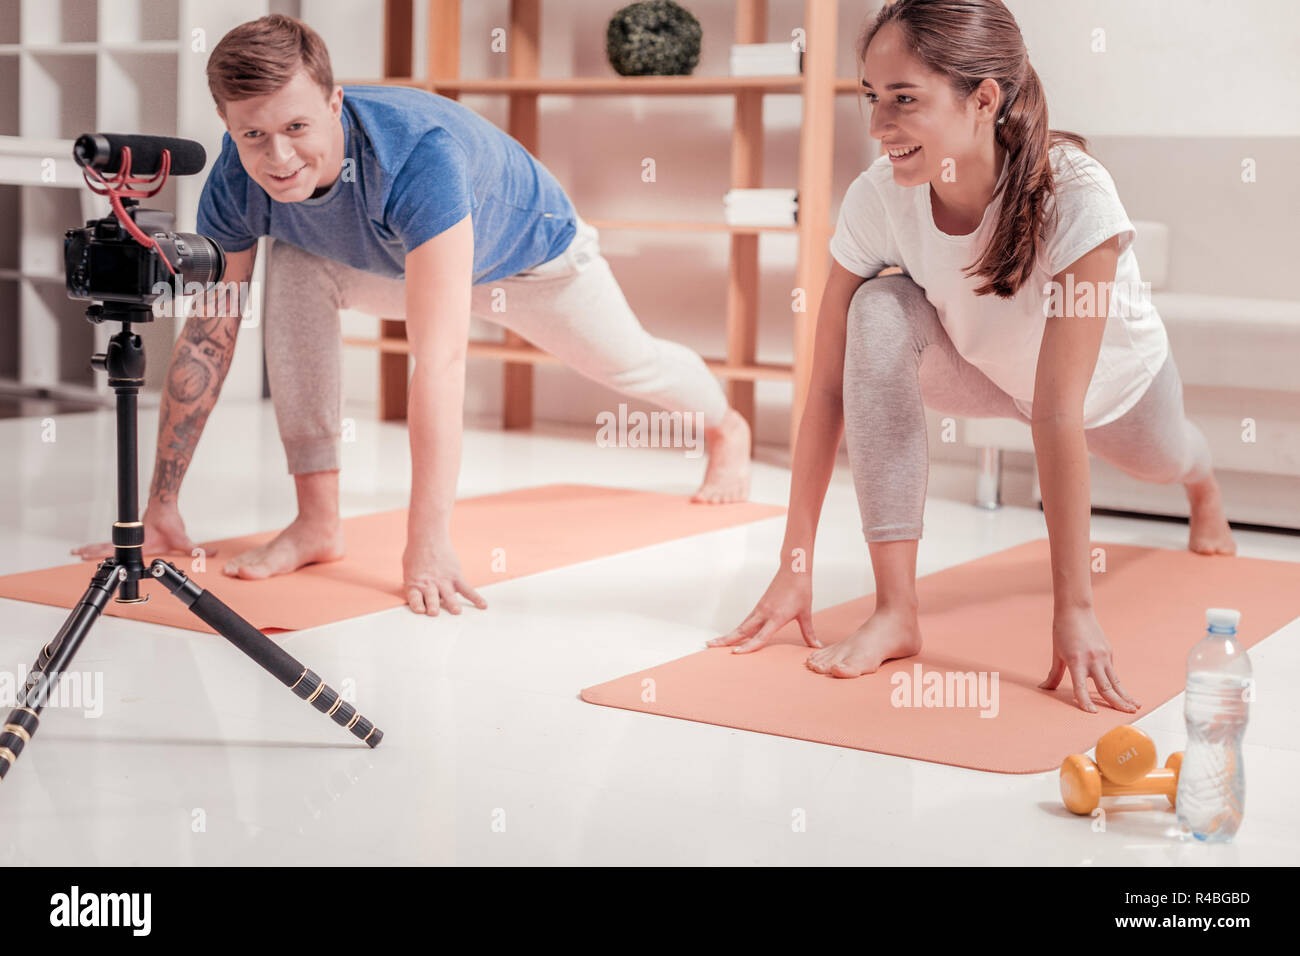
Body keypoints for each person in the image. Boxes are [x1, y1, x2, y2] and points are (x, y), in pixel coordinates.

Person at [74, 14, 752, 616]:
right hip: (393, 264)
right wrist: (161, 505)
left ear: (336, 103)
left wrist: (427, 546)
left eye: (297, 127)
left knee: (630, 363)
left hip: (532, 264)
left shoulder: (419, 153)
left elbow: (440, 361)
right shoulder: (234, 177)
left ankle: (726, 427)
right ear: (228, 126)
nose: (278, 158)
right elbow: (211, 333)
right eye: (253, 134)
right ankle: (318, 521)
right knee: (298, 268)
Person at [711, 0, 1236, 714]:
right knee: (879, 309)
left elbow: (1058, 409)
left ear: (983, 99)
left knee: (1169, 457)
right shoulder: (878, 199)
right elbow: (830, 386)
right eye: (871, 97)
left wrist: (1074, 608)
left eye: (904, 100)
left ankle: (1205, 488)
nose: (877, 126)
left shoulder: (1076, 194)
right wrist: (794, 566)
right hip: (983, 372)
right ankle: (897, 611)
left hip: (1110, 390)